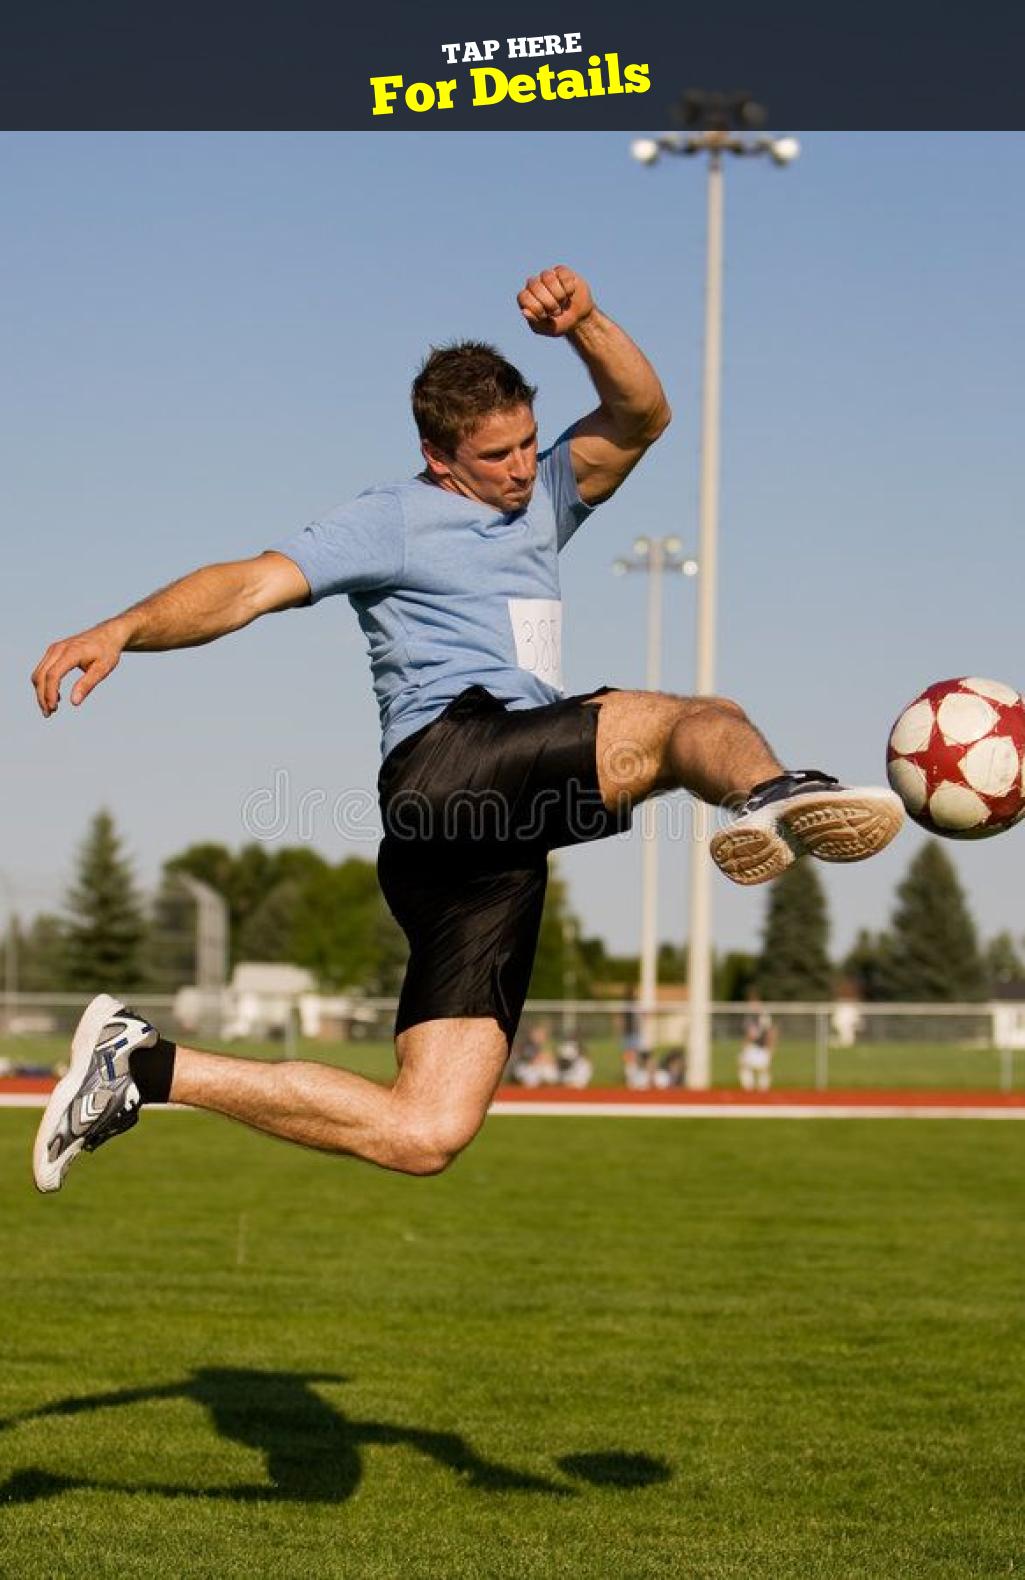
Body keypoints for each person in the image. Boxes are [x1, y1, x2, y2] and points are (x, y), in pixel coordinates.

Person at [29, 264, 903, 1192]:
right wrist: (122, 626)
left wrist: (586, 323)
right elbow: (246, 585)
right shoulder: (394, 519)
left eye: (529, 443)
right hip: (448, 760)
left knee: (425, 1129)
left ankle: (140, 1066)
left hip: (484, 844)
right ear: (439, 454)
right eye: (496, 456)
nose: (524, 468)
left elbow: (642, 415)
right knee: (697, 719)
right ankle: (771, 793)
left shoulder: (544, 498)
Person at [738, 993, 777, 1092]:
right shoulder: (750, 1016)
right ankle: (749, 1088)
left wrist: (770, 1046)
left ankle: (762, 1090)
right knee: (744, 1065)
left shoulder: (763, 1016)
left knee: (763, 1069)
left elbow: (769, 1032)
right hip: (752, 1046)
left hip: (760, 1046)